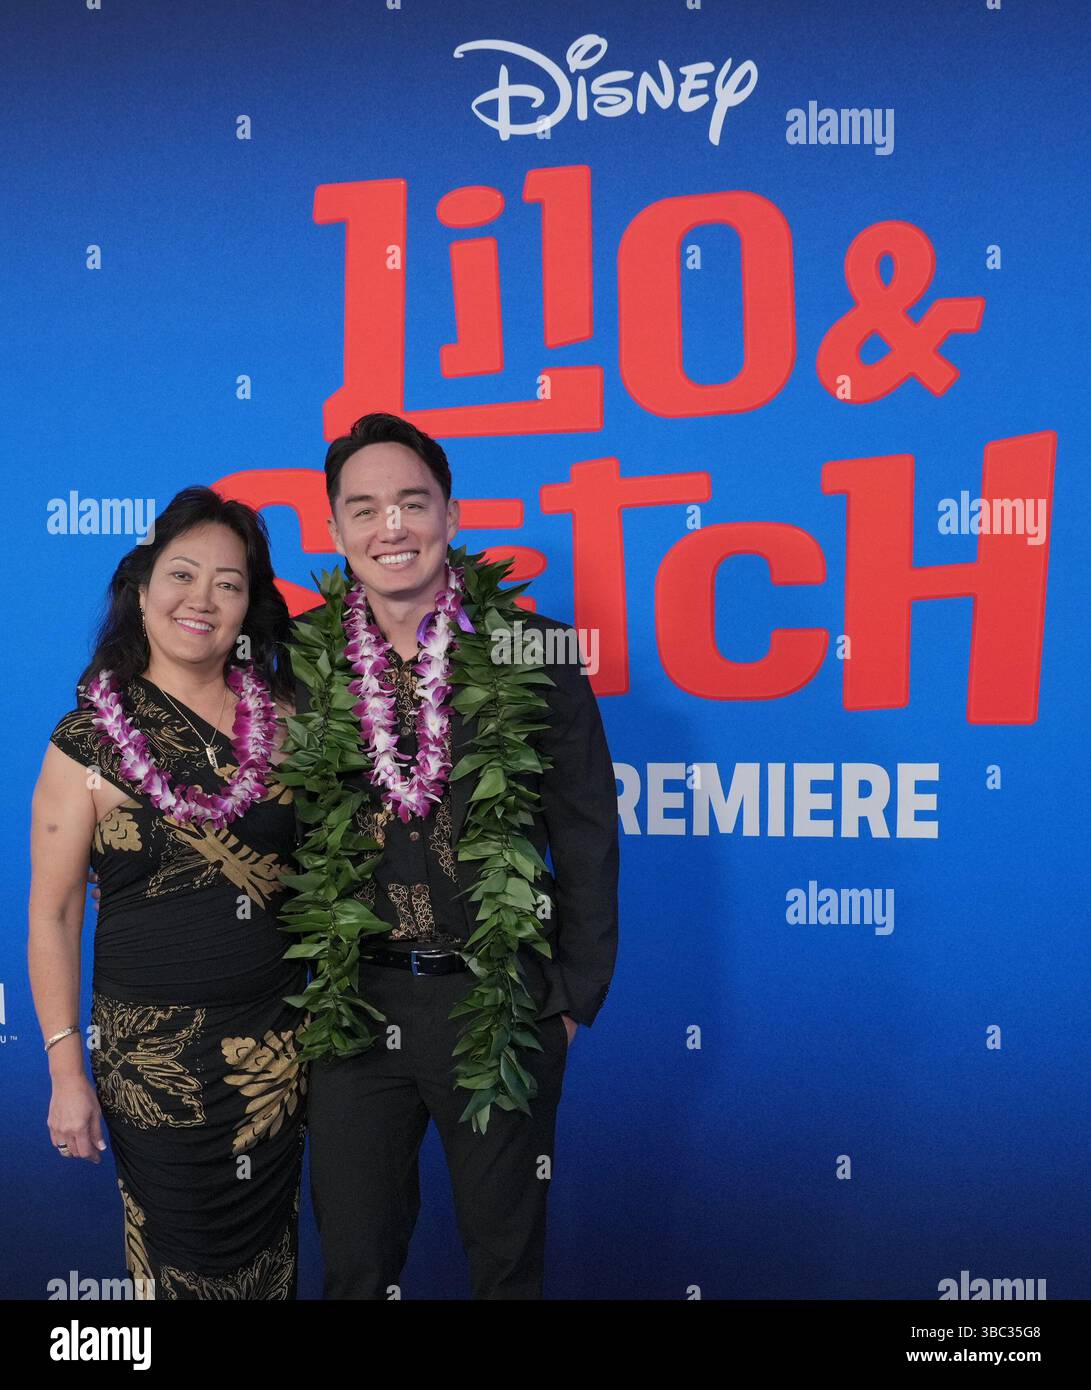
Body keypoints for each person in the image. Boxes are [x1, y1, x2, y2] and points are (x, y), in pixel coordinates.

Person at [294, 413, 619, 1299]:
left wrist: (571, 1000)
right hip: (351, 1009)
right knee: (355, 1260)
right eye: (363, 509)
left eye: (411, 502)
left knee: (506, 1262)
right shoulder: (297, 660)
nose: (388, 527)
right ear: (334, 532)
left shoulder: (534, 649)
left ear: (450, 514)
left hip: (500, 1000)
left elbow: (588, 830)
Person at [28, 487, 308, 1299]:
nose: (202, 599)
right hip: (153, 1063)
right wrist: (65, 1070)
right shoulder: (85, 742)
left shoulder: (289, 724)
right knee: (184, 1267)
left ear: (249, 608)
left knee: (269, 1262)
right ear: (142, 590)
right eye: (182, 574)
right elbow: (53, 911)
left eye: (229, 583)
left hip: (275, 1053)